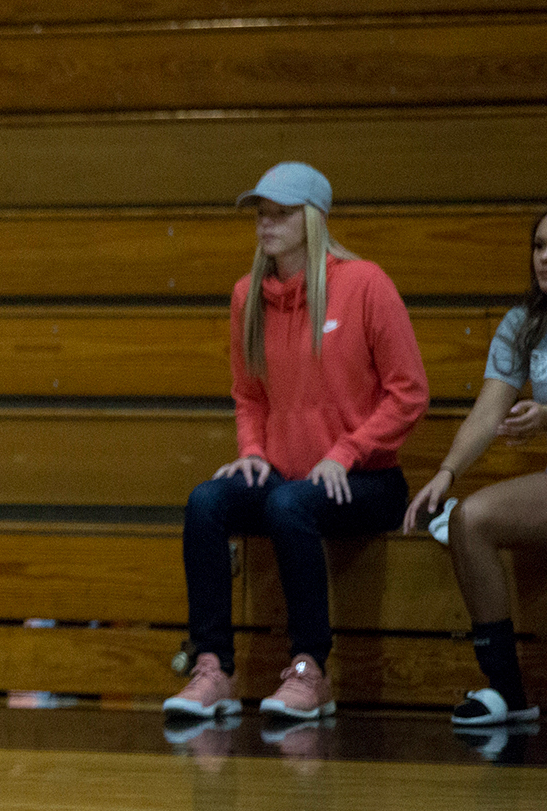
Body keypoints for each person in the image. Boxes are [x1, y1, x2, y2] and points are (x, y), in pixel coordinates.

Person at [164, 162, 428, 726]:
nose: (266, 224)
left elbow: (409, 392)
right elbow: (249, 394)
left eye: (280, 214)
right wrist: (253, 451)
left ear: (312, 219)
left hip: (367, 480)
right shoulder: (247, 296)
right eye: (261, 214)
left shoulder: (365, 284)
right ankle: (214, 668)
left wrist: (346, 451)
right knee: (205, 501)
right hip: (288, 478)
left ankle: (310, 670)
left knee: (289, 504)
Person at [400, 211, 547, 727]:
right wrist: (447, 473)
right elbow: (489, 412)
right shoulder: (522, 324)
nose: (546, 257)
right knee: (469, 520)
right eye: (539, 246)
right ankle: (507, 690)